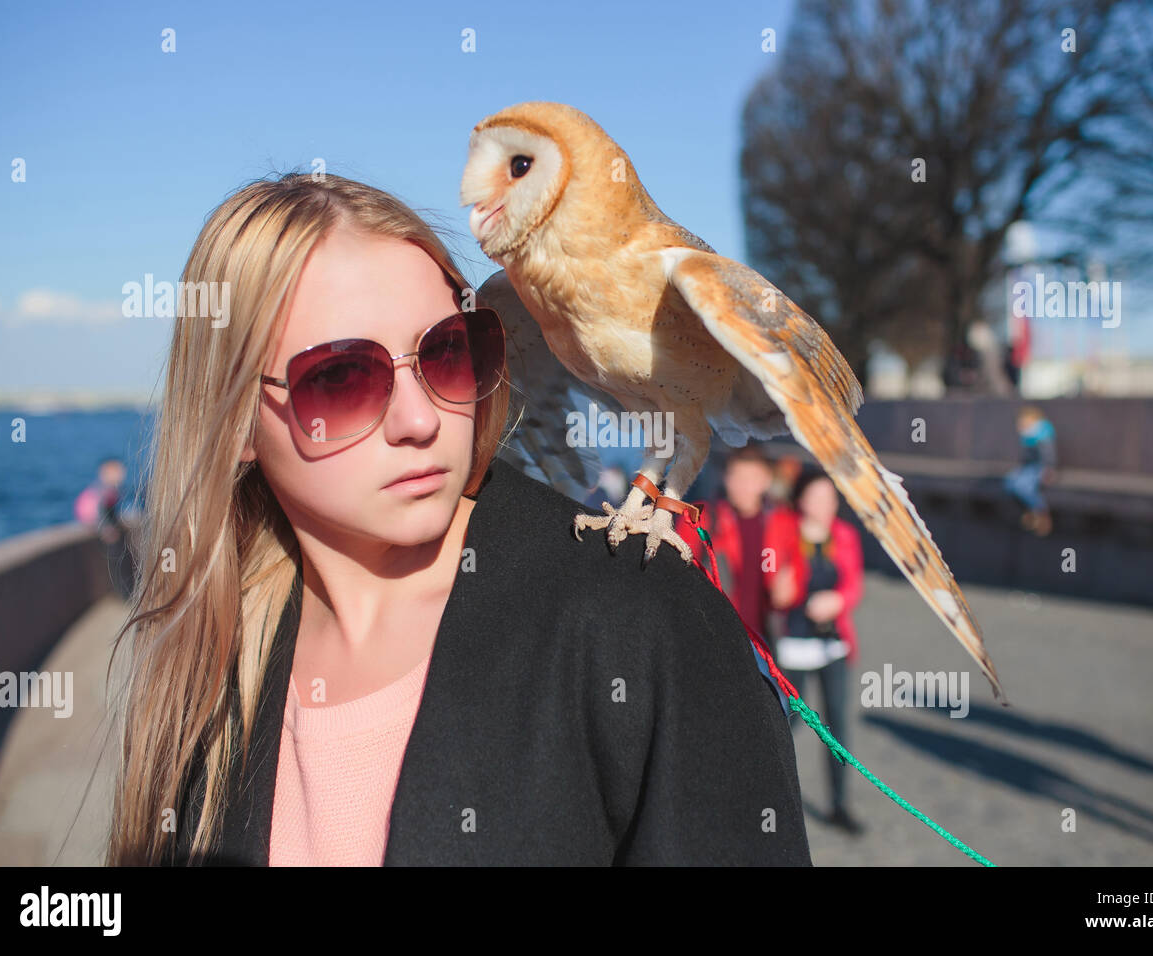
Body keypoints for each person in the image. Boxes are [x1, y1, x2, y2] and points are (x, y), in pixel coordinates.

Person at [103, 173, 809, 867]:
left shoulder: (646, 627)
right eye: (343, 378)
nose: (421, 420)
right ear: (233, 424)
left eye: (446, 352)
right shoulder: (204, 677)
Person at [763, 468, 865, 834]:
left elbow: (854, 584)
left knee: (838, 724)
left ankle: (839, 804)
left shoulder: (845, 535)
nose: (825, 505)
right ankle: (764, 795)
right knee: (787, 720)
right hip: (793, 640)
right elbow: (770, 569)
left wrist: (838, 599)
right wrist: (779, 584)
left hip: (834, 642)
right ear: (801, 500)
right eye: (817, 497)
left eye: (831, 498)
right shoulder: (781, 527)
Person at [675, 445, 780, 655]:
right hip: (713, 634)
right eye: (736, 477)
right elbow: (676, 572)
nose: (742, 486)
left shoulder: (779, 522)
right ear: (726, 478)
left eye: (750, 479)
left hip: (764, 639)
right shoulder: (700, 517)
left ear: (766, 480)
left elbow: (790, 576)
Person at [74, 456, 134, 599]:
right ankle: (124, 594)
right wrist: (107, 529)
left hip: (106, 531)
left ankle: (124, 593)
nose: (121, 474)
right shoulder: (103, 490)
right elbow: (100, 512)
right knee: (117, 564)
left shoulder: (106, 489)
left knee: (118, 563)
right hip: (106, 534)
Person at [1003, 405, 1056, 536]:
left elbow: (1048, 456)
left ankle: (1041, 512)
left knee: (1022, 486)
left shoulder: (1042, 435)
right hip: (1029, 467)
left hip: (1039, 468)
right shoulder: (1028, 437)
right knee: (1009, 482)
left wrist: (1048, 470)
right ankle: (1029, 511)